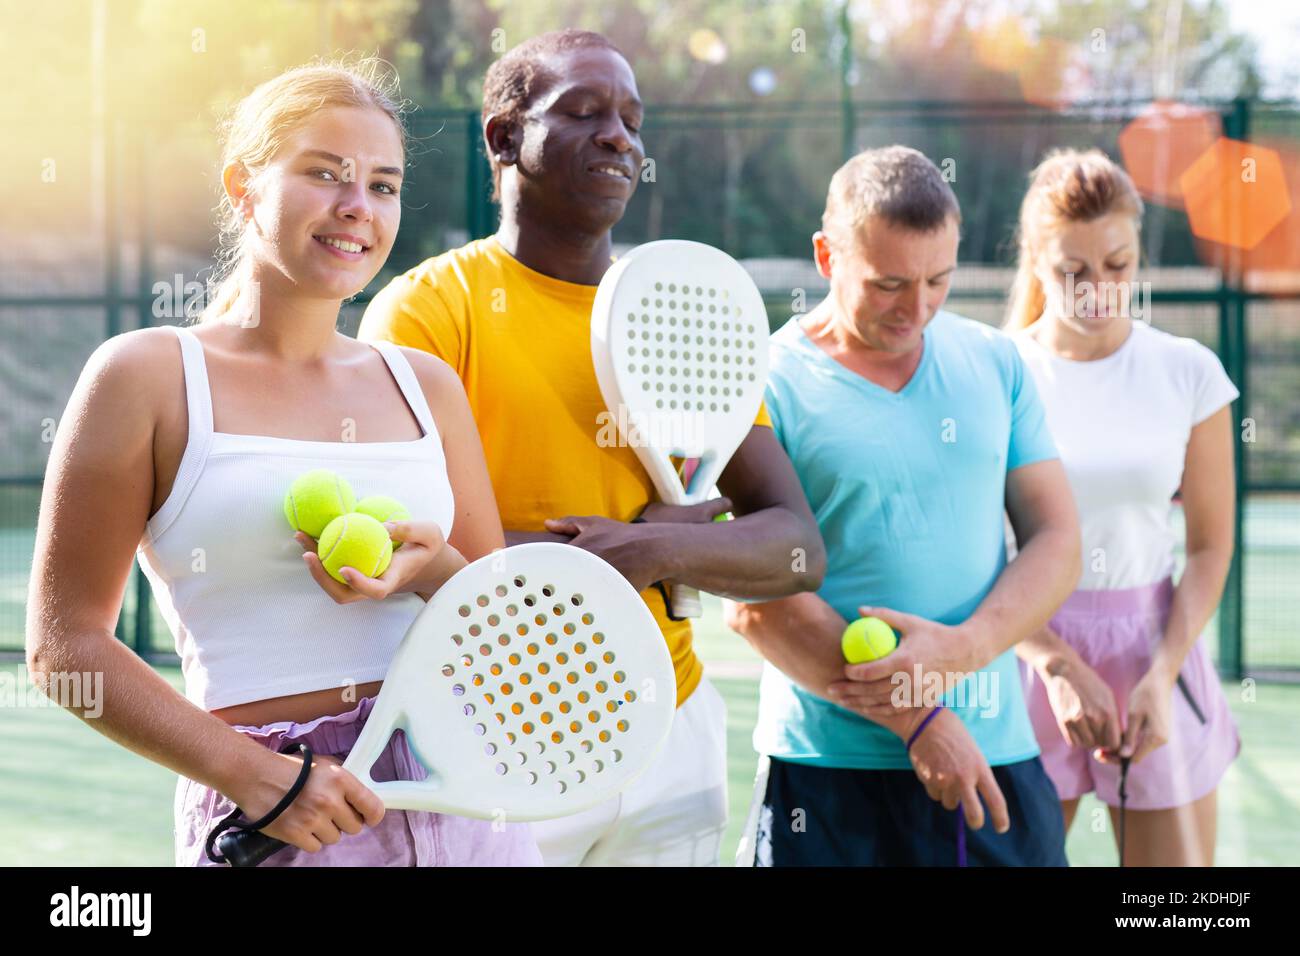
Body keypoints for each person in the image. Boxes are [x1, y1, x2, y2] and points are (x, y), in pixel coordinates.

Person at [25, 59, 540, 866]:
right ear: (242, 185)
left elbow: (503, 617)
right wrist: (258, 777)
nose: (355, 208)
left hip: (464, 793)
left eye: (382, 185)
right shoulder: (145, 376)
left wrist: (431, 567)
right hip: (276, 820)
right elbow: (65, 648)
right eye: (323, 174)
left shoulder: (426, 386)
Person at [359, 29, 826, 866]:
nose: (620, 136)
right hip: (492, 738)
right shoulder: (428, 311)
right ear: (504, 137)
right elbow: (415, 548)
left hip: (670, 728)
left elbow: (796, 548)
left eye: (632, 119)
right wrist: (638, 556)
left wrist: (655, 544)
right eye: (583, 112)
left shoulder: (676, 315)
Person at [725, 146, 1082, 866]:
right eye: (888, 283)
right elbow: (756, 600)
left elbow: (1058, 538)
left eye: (938, 279)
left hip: (993, 758)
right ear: (827, 256)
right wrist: (918, 718)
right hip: (824, 779)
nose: (916, 308)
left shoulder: (996, 361)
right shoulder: (761, 379)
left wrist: (966, 649)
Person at [1005, 149, 1240, 866]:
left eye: (1118, 264)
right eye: (1074, 271)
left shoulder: (1188, 371)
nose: (1099, 289)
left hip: (1154, 656)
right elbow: (983, 552)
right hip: (1025, 654)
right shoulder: (998, 372)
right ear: (1037, 263)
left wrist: (1163, 672)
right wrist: (1053, 664)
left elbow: (1208, 547)